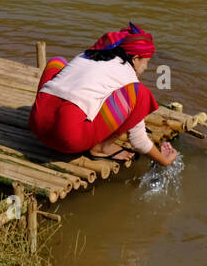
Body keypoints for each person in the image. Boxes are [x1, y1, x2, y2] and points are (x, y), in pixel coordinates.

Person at [28, 23, 179, 166]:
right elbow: (138, 140)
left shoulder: (86, 55)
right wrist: (163, 160)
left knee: (57, 61)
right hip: (66, 139)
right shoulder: (128, 77)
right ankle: (101, 148)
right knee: (141, 94)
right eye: (146, 62)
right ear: (135, 59)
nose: (146, 67)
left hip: (36, 125)